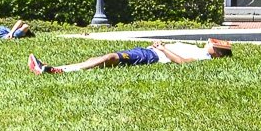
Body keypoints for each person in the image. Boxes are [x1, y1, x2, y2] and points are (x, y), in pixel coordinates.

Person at [29, 38, 232, 74]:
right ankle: (59, 67)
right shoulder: (201, 51)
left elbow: (183, 63)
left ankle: (57, 71)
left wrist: (162, 49)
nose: (210, 41)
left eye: (215, 44)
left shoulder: (204, 58)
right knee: (101, 59)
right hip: (150, 52)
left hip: (151, 56)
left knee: (110, 57)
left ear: (218, 54)